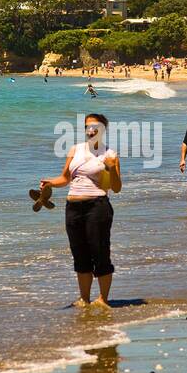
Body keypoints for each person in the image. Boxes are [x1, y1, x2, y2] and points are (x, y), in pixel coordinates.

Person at [41, 113, 121, 308]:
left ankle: (103, 299)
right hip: (73, 207)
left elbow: (116, 188)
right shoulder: (75, 149)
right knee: (80, 254)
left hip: (97, 206)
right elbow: (65, 178)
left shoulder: (110, 155)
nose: (91, 129)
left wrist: (111, 169)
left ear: (103, 129)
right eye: (87, 126)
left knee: (100, 252)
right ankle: (84, 299)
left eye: (95, 126)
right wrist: (50, 182)